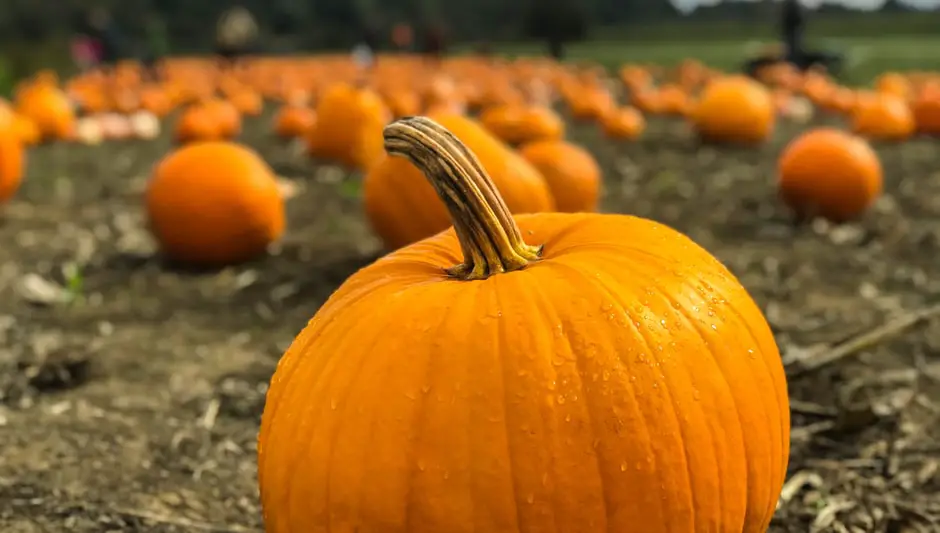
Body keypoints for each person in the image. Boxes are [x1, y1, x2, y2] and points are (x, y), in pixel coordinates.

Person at [780, 0, 805, 65]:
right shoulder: (791, 4)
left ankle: (794, 60)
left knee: (794, 45)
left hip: (794, 28)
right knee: (791, 45)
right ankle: (792, 59)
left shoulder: (791, 4)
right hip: (791, 28)